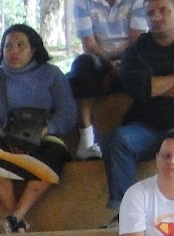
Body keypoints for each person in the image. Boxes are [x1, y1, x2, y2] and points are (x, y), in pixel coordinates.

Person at [0, 24, 75, 235]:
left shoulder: (52, 75)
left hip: (44, 140)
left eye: (20, 45)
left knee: (57, 155)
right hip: (4, 140)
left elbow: (68, 115)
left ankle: (17, 216)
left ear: (33, 49)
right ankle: (16, 218)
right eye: (8, 46)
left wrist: (40, 133)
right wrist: (6, 135)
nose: (13, 51)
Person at [103, 0, 174, 219]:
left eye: (163, 10)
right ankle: (127, 215)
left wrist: (156, 86)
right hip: (149, 129)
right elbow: (141, 88)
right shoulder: (136, 51)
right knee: (119, 140)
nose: (156, 17)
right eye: (150, 13)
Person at [68, 0, 147, 159]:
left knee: (146, 62)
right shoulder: (82, 3)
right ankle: (86, 140)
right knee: (82, 65)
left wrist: (120, 68)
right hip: (99, 57)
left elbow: (136, 42)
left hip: (131, 56)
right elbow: (89, 45)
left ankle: (142, 132)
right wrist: (111, 67)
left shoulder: (138, 2)